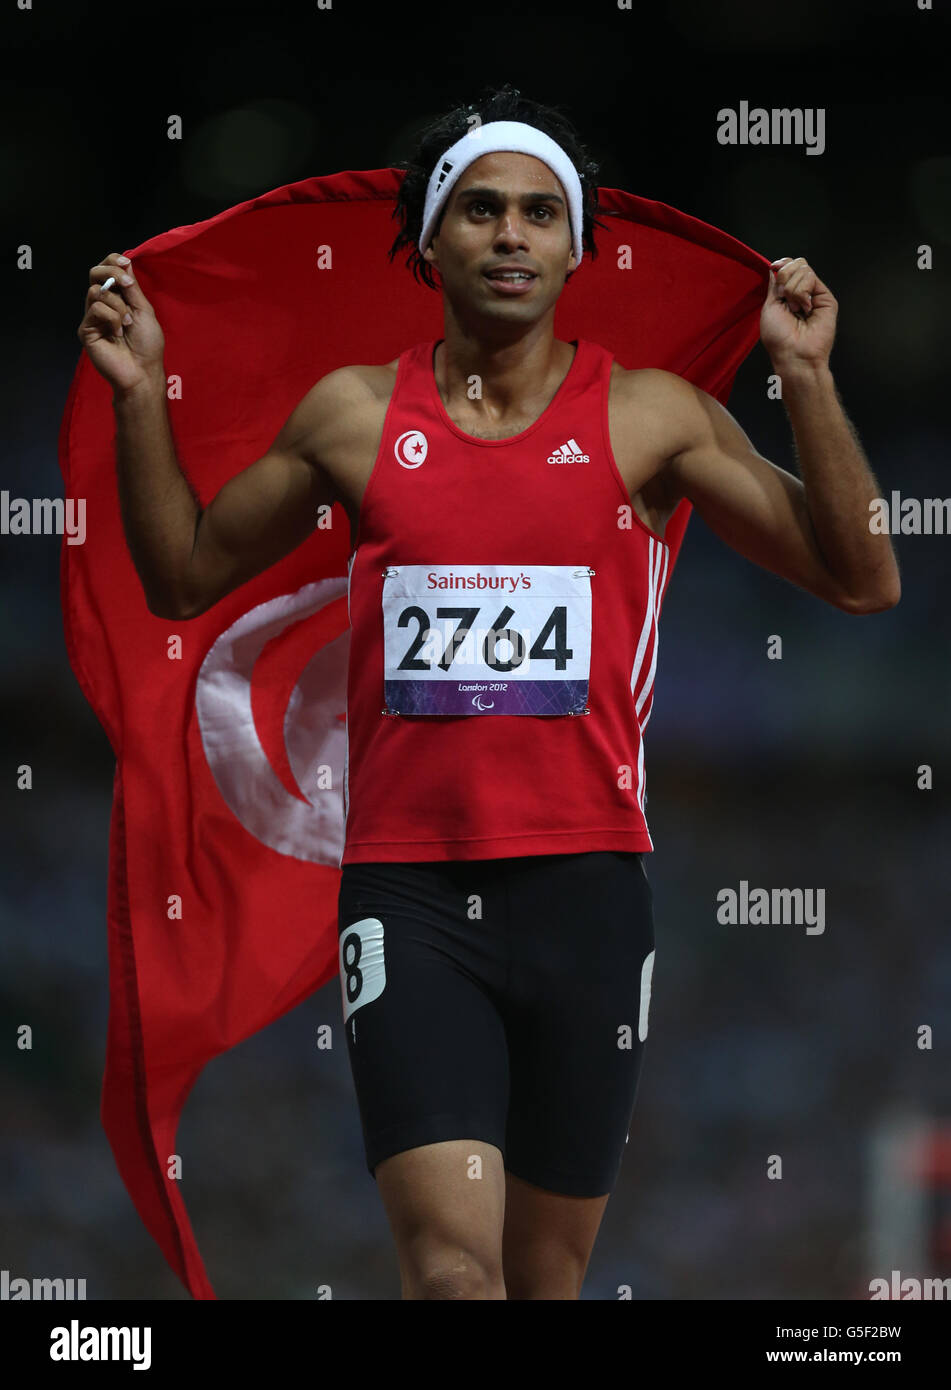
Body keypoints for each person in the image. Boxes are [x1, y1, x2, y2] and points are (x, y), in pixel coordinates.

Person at [77, 84, 900, 1301]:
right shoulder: (354, 417)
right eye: (478, 210)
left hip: (589, 897)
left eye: (536, 213)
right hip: (408, 898)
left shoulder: (653, 419)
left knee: (543, 1283)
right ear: (426, 243)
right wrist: (143, 393)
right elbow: (182, 572)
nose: (510, 235)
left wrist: (809, 379)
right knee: (455, 1276)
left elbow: (863, 574)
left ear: (577, 247)